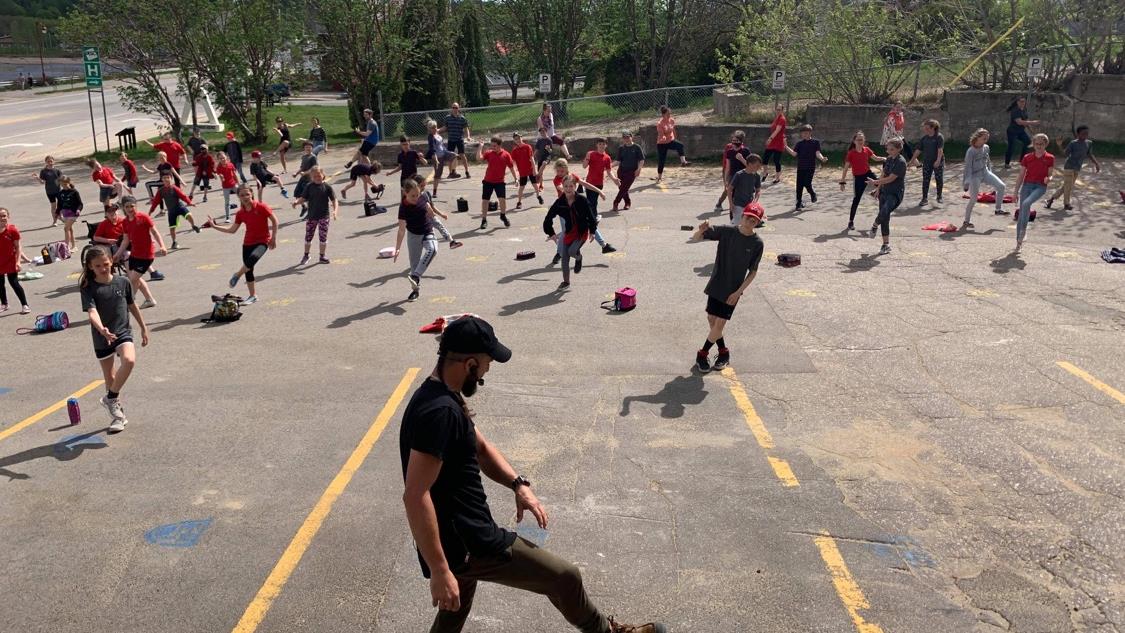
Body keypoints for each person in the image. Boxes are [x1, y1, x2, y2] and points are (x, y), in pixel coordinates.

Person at [400, 315, 667, 633]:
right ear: (470, 363)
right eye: (486, 363)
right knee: (564, 577)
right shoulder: (439, 413)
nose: (488, 371)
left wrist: (518, 485)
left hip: (457, 538)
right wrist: (440, 569)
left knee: (454, 610)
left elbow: (481, 448)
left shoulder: (440, 393)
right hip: (469, 542)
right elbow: (416, 495)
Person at [79, 245, 150, 434]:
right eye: (98, 266)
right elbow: (92, 312)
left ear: (112, 261)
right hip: (102, 336)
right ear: (90, 267)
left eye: (105, 264)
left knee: (129, 360)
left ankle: (110, 397)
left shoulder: (123, 282)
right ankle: (118, 416)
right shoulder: (88, 287)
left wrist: (143, 327)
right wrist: (102, 329)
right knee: (109, 376)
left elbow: (132, 306)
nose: (103, 268)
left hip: (122, 331)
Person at [689, 202, 766, 372]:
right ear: (742, 216)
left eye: (754, 220)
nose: (749, 222)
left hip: (733, 290)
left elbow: (753, 272)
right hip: (717, 283)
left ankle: (702, 354)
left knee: (720, 323)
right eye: (747, 218)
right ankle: (723, 352)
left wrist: (739, 292)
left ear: (758, 222)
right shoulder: (727, 231)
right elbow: (695, 238)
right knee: (711, 319)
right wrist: (701, 230)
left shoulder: (757, 243)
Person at [208, 184, 278, 305]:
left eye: (247, 194)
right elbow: (232, 230)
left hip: (263, 241)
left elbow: (275, 221)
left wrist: (273, 238)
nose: (245, 197)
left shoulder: (261, 207)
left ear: (251, 194)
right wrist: (214, 226)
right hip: (247, 243)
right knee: (249, 270)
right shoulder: (240, 213)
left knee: (251, 260)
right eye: (242, 195)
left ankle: (237, 275)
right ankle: (253, 296)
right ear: (238, 197)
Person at [544, 175, 600, 290]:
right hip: (569, 232)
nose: (568, 189)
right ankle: (566, 282)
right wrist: (551, 233)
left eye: (571, 186)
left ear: (575, 187)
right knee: (564, 258)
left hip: (581, 231)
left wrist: (593, 231)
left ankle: (578, 258)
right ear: (562, 187)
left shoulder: (582, 200)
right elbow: (548, 218)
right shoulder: (560, 202)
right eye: (566, 186)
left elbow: (591, 216)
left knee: (572, 251)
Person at [113, 196, 164, 309]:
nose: (130, 209)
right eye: (127, 207)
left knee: (132, 280)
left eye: (132, 206)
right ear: (123, 208)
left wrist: (162, 246)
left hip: (146, 255)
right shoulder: (125, 222)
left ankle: (128, 303)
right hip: (134, 255)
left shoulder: (143, 217)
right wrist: (118, 254)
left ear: (136, 206)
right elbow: (126, 240)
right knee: (136, 279)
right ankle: (149, 299)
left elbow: (155, 232)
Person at [394, 179, 439, 302]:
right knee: (414, 265)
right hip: (413, 235)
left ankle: (416, 276)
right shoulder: (403, 207)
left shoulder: (422, 198)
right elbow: (402, 230)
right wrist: (397, 248)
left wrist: (443, 229)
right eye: (412, 196)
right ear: (405, 193)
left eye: (417, 194)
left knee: (433, 249)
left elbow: (431, 213)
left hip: (427, 231)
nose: (416, 198)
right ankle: (415, 291)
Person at [1012, 133, 1054, 253]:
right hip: (1027, 186)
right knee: (1022, 213)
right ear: (1033, 144)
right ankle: (1018, 243)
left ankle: (1024, 232)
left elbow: (1050, 174)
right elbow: (1021, 176)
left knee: (1026, 204)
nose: (1039, 146)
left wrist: (1049, 179)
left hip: (1040, 187)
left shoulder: (1050, 158)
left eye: (1041, 144)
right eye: (1036, 144)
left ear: (1046, 144)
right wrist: (1015, 193)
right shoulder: (1027, 157)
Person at [866, 137, 907, 255]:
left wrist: (875, 182)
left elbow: (891, 178)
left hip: (895, 194)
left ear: (899, 149)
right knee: (885, 218)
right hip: (884, 191)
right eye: (887, 149)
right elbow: (884, 173)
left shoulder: (901, 162)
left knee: (884, 212)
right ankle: (885, 245)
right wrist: (877, 189)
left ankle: (874, 225)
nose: (888, 151)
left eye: (892, 149)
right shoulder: (889, 159)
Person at [839, 131, 885, 231]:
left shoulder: (866, 150)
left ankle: (874, 193)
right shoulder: (851, 153)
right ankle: (851, 222)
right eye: (858, 140)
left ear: (864, 140)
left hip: (868, 174)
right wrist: (842, 182)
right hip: (859, 178)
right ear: (854, 141)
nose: (860, 141)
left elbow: (876, 158)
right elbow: (846, 168)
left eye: (862, 139)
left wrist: (885, 158)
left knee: (882, 186)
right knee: (856, 199)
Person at [1046, 125, 1100, 211]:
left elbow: (1090, 154)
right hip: (1069, 167)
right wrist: (1059, 145)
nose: (1085, 135)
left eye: (1086, 133)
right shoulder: (1073, 143)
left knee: (1067, 186)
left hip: (1077, 167)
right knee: (1069, 187)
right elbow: (1065, 154)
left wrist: (1096, 164)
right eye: (1083, 134)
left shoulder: (1089, 143)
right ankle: (1066, 204)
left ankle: (1051, 199)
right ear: (1078, 134)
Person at [291, 166, 338, 265]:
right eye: (315, 176)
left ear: (323, 175)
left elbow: (334, 200)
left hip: (324, 216)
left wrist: (335, 211)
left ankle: (322, 256)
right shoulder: (309, 186)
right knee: (308, 236)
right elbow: (303, 198)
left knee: (323, 237)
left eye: (319, 175)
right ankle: (306, 255)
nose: (317, 177)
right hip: (312, 216)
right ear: (312, 177)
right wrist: (296, 202)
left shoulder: (327, 187)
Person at [961, 128, 1006, 231]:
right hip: (974, 176)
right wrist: (966, 182)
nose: (986, 140)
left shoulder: (986, 147)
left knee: (1001, 186)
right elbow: (968, 167)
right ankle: (966, 221)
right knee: (973, 199)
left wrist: (990, 172)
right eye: (984, 138)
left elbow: (987, 160)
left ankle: (998, 209)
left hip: (985, 172)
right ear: (977, 137)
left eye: (987, 139)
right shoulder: (971, 151)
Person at [581, 138, 619, 254]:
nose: (601, 146)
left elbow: (608, 171)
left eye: (603, 144)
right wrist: (587, 158)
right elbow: (583, 166)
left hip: (599, 184)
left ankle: (593, 218)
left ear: (606, 146)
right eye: (599, 144)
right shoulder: (591, 154)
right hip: (589, 183)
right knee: (591, 203)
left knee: (593, 203)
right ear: (596, 145)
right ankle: (593, 219)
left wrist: (614, 179)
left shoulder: (607, 158)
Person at [148, 173, 201, 250]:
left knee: (189, 215)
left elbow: (183, 196)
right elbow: (156, 202)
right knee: (172, 228)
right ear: (162, 180)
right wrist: (151, 211)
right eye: (164, 178)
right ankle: (174, 242)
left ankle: (193, 226)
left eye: (168, 177)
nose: (166, 179)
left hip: (180, 207)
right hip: (171, 211)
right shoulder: (161, 191)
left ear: (171, 179)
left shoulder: (174, 188)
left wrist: (189, 202)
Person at [411, 173, 463, 250]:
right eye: (421, 186)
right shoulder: (412, 196)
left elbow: (432, 206)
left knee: (440, 226)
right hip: (421, 220)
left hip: (430, 216)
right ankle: (427, 245)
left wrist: (441, 214)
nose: (423, 188)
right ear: (415, 186)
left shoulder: (426, 193)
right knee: (427, 234)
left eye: (424, 185)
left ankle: (451, 241)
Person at [476, 136, 519, 230]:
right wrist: (480, 146)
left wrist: (516, 179)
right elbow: (479, 158)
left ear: (500, 145)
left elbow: (511, 167)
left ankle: (503, 216)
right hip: (488, 181)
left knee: (502, 200)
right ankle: (484, 220)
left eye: (494, 146)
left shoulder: (506, 155)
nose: (492, 148)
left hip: (500, 182)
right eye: (491, 146)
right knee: (485, 201)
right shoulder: (489, 153)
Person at [785, 124, 827, 209]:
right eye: (803, 133)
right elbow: (794, 154)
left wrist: (822, 158)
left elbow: (817, 153)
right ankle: (798, 203)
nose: (804, 134)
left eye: (806, 133)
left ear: (810, 133)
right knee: (799, 185)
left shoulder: (815, 142)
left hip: (810, 167)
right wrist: (785, 146)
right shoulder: (799, 144)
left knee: (807, 183)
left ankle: (812, 194)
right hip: (801, 167)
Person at [0, 208, 30, 314]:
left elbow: (18, 247)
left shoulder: (12, 230)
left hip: (10, 261)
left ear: (8, 216)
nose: (2, 218)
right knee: (0, 284)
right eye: (0, 216)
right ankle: (4, 304)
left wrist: (18, 261)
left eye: (4, 216)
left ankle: (25, 305)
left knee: (14, 283)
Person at [909, 119, 945, 206]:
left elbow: (940, 150)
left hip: (938, 161)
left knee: (939, 179)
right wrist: (912, 160)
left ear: (933, 128)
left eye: (927, 128)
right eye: (924, 128)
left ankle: (939, 196)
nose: (925, 130)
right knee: (926, 180)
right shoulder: (924, 139)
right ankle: (924, 199)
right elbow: (918, 150)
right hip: (927, 162)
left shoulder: (939, 137)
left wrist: (938, 161)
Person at [141, 151, 184, 216]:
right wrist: (145, 168)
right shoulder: (160, 166)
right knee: (160, 195)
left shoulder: (168, 164)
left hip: (165, 182)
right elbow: (153, 172)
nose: (163, 158)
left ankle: (152, 199)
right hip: (160, 182)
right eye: (161, 157)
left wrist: (182, 181)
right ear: (159, 159)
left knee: (148, 184)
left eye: (164, 157)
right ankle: (162, 211)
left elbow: (175, 173)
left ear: (166, 157)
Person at [654, 105, 690, 183]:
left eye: (670, 113)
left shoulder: (672, 120)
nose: (669, 115)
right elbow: (661, 134)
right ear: (663, 115)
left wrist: (675, 138)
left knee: (680, 145)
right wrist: (663, 137)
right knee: (662, 161)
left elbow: (673, 129)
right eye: (668, 114)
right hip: (662, 144)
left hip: (670, 141)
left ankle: (683, 162)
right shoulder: (660, 123)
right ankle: (659, 177)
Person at [611, 131, 645, 212]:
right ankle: (627, 202)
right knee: (622, 188)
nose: (626, 139)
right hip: (621, 171)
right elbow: (618, 161)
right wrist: (608, 166)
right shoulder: (621, 148)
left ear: (631, 137)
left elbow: (641, 160)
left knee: (624, 188)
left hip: (632, 172)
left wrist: (639, 169)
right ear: (623, 139)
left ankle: (616, 202)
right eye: (624, 137)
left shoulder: (637, 147)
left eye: (628, 137)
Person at [715, 131, 747, 212]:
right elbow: (727, 162)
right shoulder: (729, 148)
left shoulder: (744, 149)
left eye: (737, 140)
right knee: (727, 189)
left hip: (740, 173)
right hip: (729, 171)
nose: (734, 142)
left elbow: (748, 164)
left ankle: (737, 207)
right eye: (733, 140)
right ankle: (719, 203)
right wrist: (726, 177)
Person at [1004, 96, 1039, 169]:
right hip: (1012, 131)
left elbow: (1026, 121)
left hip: (1020, 131)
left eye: (1024, 101)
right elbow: (1019, 122)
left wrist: (1032, 131)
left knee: (1027, 142)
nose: (1023, 103)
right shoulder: (1015, 110)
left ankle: (1022, 160)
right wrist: (1033, 122)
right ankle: (1007, 163)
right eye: (1021, 101)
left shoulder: (1024, 109)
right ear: (1017, 102)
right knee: (1011, 146)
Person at [726, 154, 763, 224]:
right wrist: (731, 204)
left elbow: (758, 190)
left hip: (749, 206)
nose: (759, 168)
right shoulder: (739, 175)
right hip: (738, 205)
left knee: (747, 226)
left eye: (760, 166)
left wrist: (755, 201)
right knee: (737, 225)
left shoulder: (756, 176)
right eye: (757, 165)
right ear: (749, 164)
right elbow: (729, 189)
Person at [510, 132, 543, 208]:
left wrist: (534, 170)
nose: (517, 140)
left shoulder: (527, 147)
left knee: (535, 185)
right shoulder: (515, 150)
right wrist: (515, 173)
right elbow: (513, 162)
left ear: (521, 137)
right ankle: (519, 202)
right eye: (515, 139)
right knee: (521, 187)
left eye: (518, 138)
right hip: (522, 172)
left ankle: (538, 196)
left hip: (530, 170)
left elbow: (531, 158)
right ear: (514, 141)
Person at [441, 103, 472, 178]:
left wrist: (468, 136)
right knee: (450, 156)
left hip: (459, 139)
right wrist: (437, 130)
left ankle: (467, 171)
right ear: (451, 108)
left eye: (456, 107)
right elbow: (445, 128)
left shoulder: (462, 118)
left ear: (459, 108)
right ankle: (451, 172)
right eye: (453, 107)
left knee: (462, 155)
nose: (455, 109)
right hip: (451, 139)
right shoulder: (447, 118)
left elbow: (466, 129)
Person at [290, 141, 319, 218]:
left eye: (309, 147)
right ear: (304, 148)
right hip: (303, 178)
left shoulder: (313, 157)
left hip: (310, 179)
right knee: (297, 193)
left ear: (312, 148)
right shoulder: (304, 157)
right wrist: (296, 173)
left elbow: (314, 168)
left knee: (307, 196)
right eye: (306, 147)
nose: (308, 148)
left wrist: (305, 173)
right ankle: (304, 207)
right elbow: (302, 167)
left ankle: (310, 212)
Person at [55, 176, 84, 250]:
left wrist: (78, 210)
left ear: (68, 182)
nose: (63, 186)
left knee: (66, 229)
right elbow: (59, 205)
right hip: (65, 213)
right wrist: (57, 213)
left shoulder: (74, 192)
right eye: (61, 184)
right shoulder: (60, 193)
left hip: (73, 213)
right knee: (70, 229)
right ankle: (74, 246)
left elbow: (80, 204)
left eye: (64, 184)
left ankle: (66, 247)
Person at [35, 155, 63, 226]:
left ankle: (61, 217)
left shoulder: (57, 171)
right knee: (53, 206)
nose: (50, 163)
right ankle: (55, 221)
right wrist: (37, 178)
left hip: (58, 191)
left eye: (51, 161)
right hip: (50, 191)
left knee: (61, 205)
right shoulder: (43, 171)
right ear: (46, 162)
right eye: (48, 161)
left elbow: (61, 181)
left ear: (54, 161)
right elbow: (42, 182)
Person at [763, 104, 787, 183]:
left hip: (778, 142)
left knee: (776, 160)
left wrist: (770, 138)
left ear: (782, 110)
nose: (777, 111)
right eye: (777, 109)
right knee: (765, 158)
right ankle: (765, 173)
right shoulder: (776, 118)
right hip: (773, 142)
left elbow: (777, 130)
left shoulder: (782, 119)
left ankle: (777, 178)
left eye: (779, 109)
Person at [215, 150, 239, 222]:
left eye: (223, 157)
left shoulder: (230, 164)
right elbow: (220, 176)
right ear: (218, 159)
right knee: (227, 202)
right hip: (225, 187)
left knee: (242, 197)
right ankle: (228, 218)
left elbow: (234, 174)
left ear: (226, 157)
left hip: (233, 184)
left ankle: (245, 211)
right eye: (220, 158)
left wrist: (238, 183)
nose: (222, 159)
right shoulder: (219, 167)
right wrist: (221, 177)